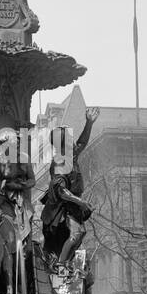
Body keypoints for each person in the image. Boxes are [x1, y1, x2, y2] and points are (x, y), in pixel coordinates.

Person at [40, 108, 98, 269]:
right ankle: (60, 265)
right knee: (77, 233)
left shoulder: (70, 156)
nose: (73, 141)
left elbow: (82, 143)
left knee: (80, 234)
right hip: (62, 209)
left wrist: (89, 123)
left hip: (72, 206)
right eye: (70, 138)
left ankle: (65, 262)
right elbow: (61, 191)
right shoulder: (60, 162)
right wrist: (82, 202)